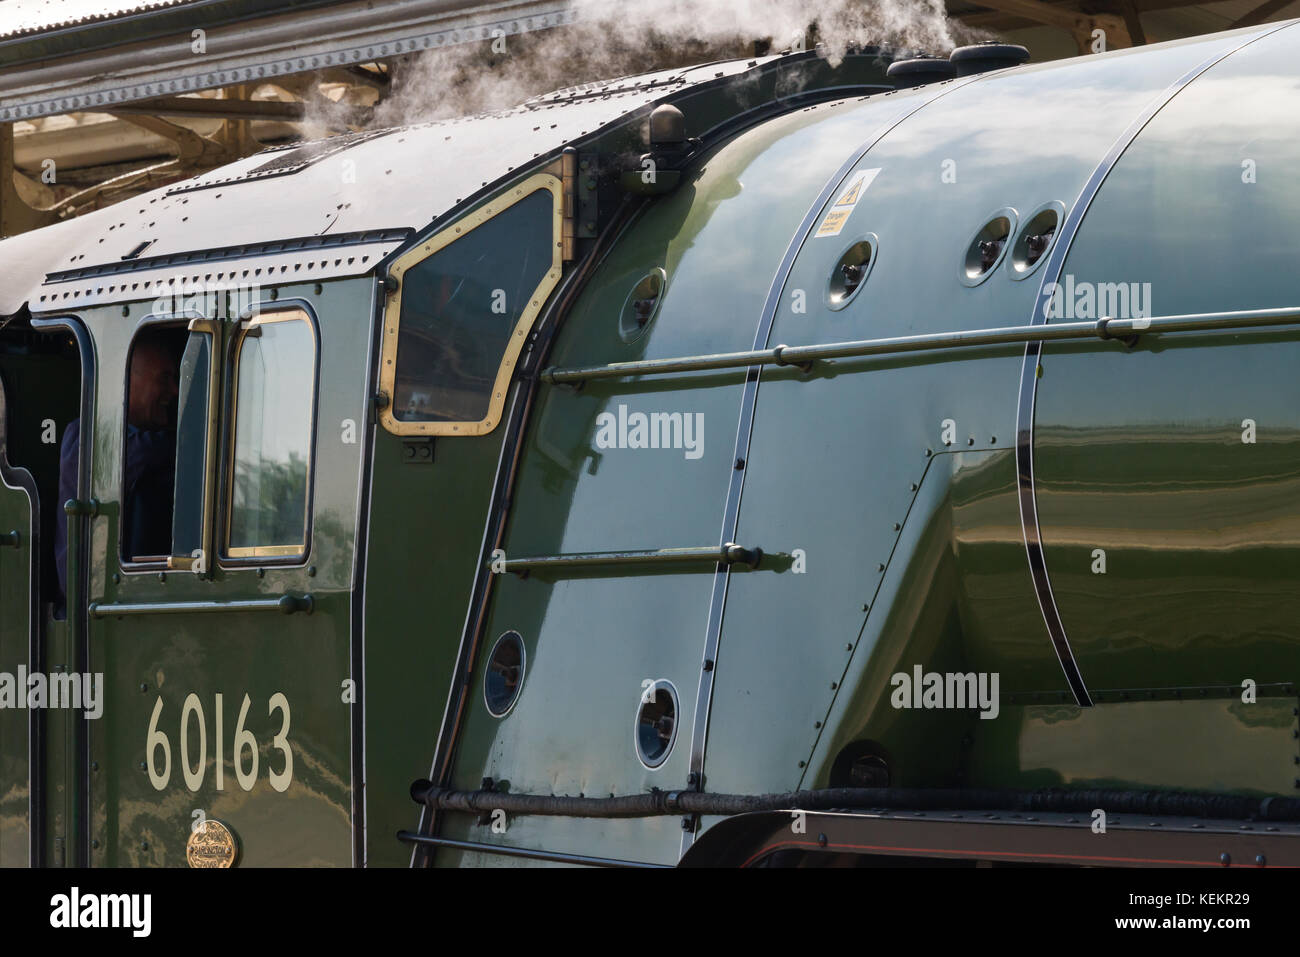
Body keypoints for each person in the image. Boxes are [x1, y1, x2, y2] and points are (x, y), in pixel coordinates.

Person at [55, 336, 180, 608]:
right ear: (129, 380)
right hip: (91, 610)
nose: (174, 390)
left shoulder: (153, 444)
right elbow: (137, 454)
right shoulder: (85, 437)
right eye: (165, 378)